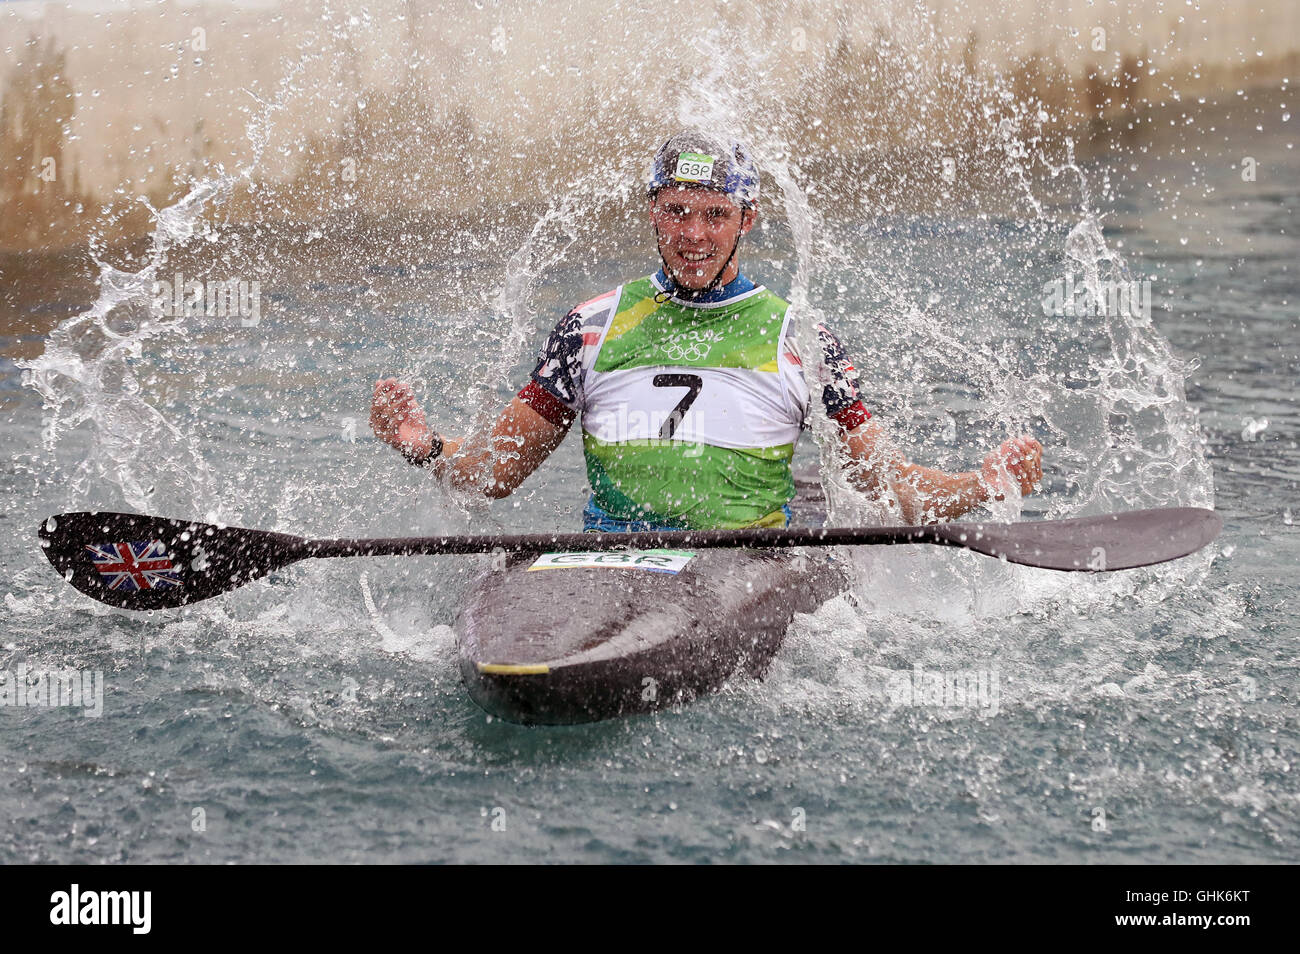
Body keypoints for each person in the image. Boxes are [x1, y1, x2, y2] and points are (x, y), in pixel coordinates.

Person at [370, 129, 1043, 529]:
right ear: (653, 213)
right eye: (678, 211)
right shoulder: (588, 327)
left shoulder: (802, 340)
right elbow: (495, 473)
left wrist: (982, 486)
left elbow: (885, 487)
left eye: (715, 215)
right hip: (611, 555)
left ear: (747, 220)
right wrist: (421, 445)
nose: (694, 235)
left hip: (744, 565)